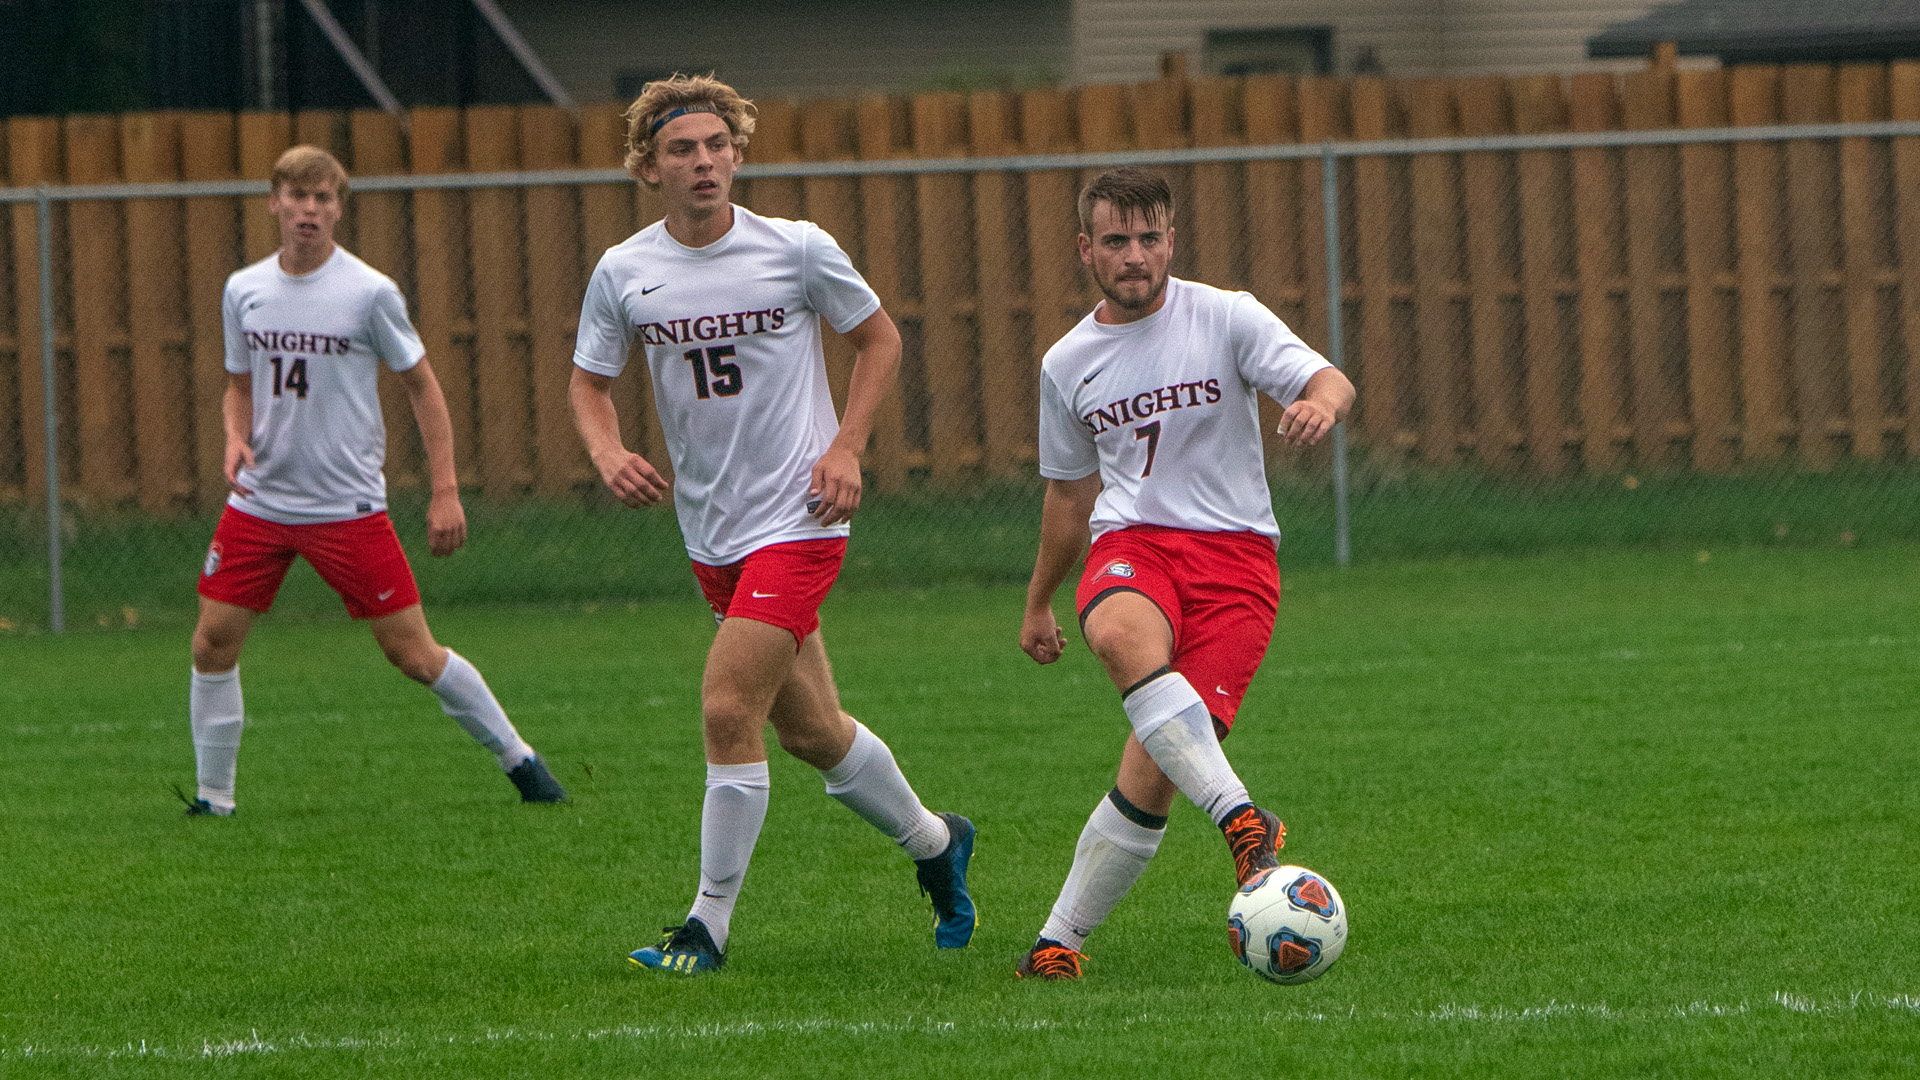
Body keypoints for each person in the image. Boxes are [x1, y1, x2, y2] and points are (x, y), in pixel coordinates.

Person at [568, 74, 975, 975]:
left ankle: (705, 928)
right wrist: (606, 451)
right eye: (682, 149)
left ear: (738, 154)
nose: (704, 161)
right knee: (812, 733)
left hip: (800, 517)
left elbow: (880, 339)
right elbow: (588, 384)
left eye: (718, 145)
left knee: (726, 710)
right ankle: (938, 843)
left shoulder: (796, 248)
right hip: (711, 531)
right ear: (648, 169)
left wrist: (847, 448)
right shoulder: (624, 271)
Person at [1015, 167, 1355, 979]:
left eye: (1149, 238)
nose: (1134, 255)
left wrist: (1320, 405)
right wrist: (1038, 601)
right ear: (1085, 249)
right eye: (1116, 240)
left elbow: (1328, 378)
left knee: (1154, 770)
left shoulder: (1225, 315)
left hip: (1238, 565)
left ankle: (1058, 943)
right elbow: (1070, 495)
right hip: (1136, 543)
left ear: (1171, 241)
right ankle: (1243, 820)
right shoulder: (1067, 363)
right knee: (1115, 630)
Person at [185, 146, 567, 817]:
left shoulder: (368, 292)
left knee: (413, 654)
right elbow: (238, 385)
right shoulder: (244, 288)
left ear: (339, 208)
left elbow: (423, 386)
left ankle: (521, 760)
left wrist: (445, 491)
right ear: (274, 202)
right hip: (260, 502)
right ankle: (214, 800)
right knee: (212, 642)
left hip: (347, 507)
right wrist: (234, 436)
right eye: (297, 196)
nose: (309, 210)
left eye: (323, 197)